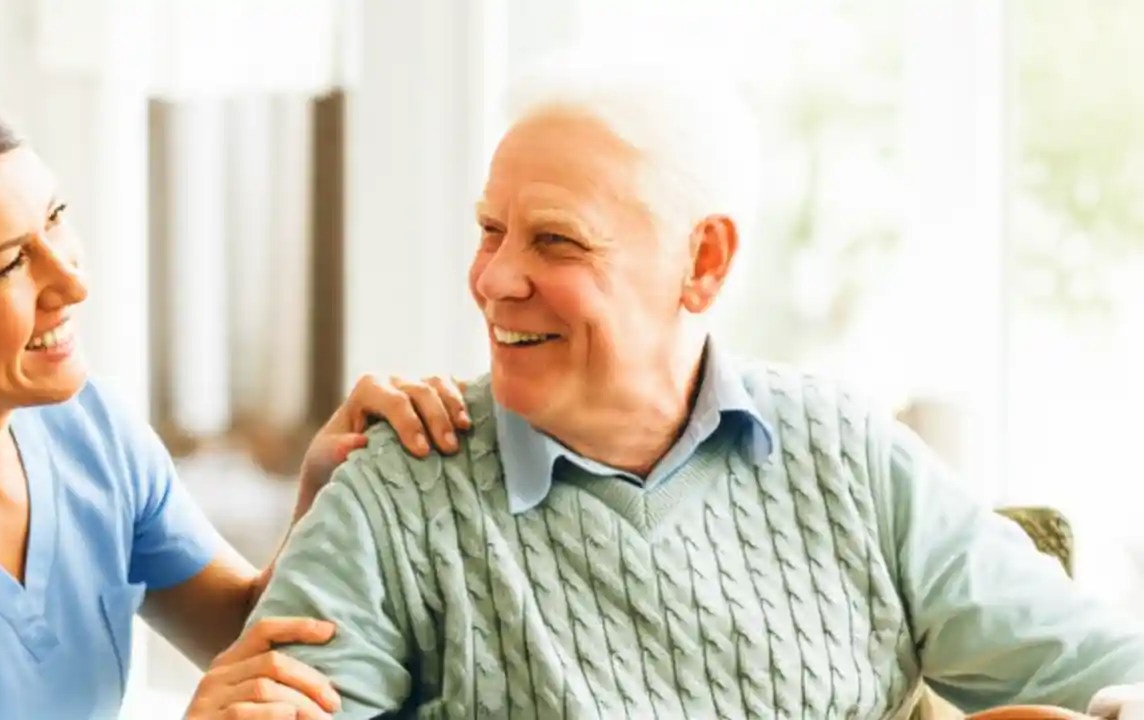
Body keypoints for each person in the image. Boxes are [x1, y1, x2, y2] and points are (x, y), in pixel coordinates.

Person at [249, 62, 1144, 718]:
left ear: (703, 262)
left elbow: (1109, 671)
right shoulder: (395, 487)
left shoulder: (845, 452)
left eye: (556, 241)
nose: (496, 279)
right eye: (491, 230)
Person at [0, 83, 470, 720]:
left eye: (54, 218)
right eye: (11, 263)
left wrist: (326, 493)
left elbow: (241, 633)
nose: (73, 282)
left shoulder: (87, 430)